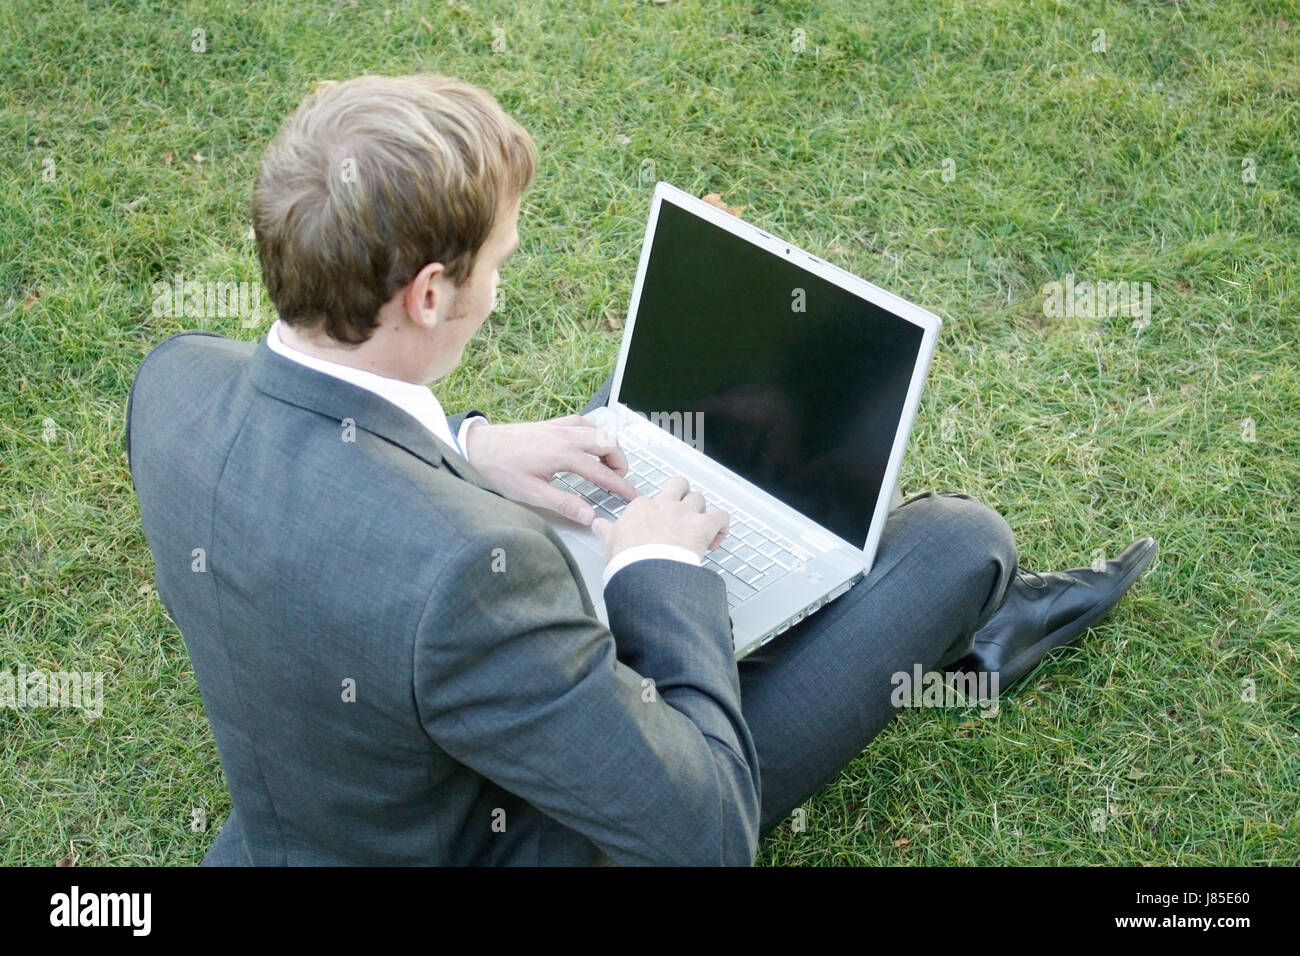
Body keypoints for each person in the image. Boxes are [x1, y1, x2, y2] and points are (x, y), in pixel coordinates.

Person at [125, 74, 1157, 866]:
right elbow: (705, 832)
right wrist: (655, 573)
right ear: (431, 294)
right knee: (956, 543)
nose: (505, 276)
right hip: (507, 830)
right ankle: (965, 639)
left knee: (604, 447)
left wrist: (470, 445)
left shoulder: (172, 388)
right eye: (501, 259)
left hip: (346, 779)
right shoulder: (471, 575)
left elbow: (329, 475)